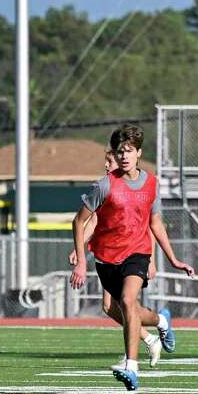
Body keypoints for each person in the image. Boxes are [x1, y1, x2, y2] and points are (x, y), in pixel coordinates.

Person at [69, 124, 195, 391]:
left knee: (127, 301)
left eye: (128, 151)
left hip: (137, 253)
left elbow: (155, 223)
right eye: (119, 151)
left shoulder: (151, 183)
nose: (124, 156)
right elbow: (80, 222)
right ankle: (161, 321)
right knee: (125, 310)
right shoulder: (104, 185)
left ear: (138, 153)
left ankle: (132, 368)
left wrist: (172, 259)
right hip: (106, 258)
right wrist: (81, 260)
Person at [69, 149, 163, 369]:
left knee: (125, 303)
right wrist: (79, 249)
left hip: (132, 254)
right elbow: (92, 221)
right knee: (111, 306)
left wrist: (151, 259)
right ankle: (151, 335)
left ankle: (136, 353)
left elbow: (149, 226)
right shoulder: (106, 187)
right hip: (110, 255)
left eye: (109, 161)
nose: (106, 164)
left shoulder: (138, 187)